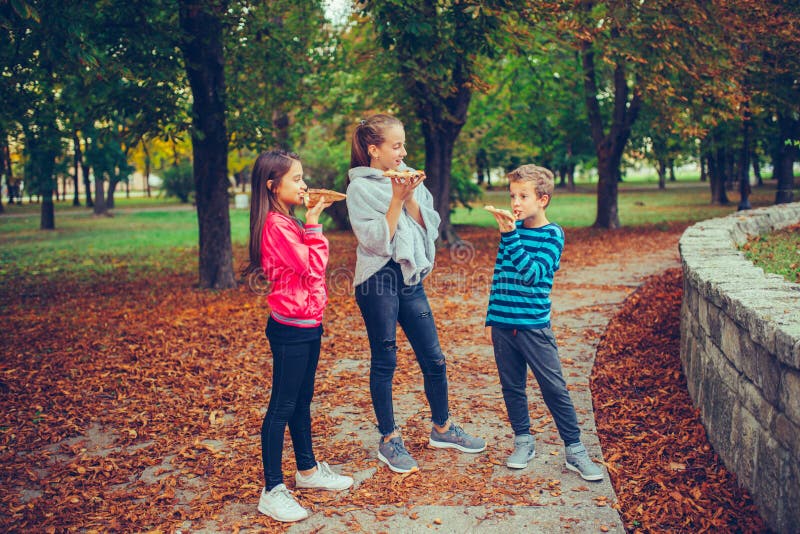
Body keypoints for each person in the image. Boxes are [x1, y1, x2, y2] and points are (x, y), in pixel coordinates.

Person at [346, 114, 486, 474]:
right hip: (377, 279)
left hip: (409, 279)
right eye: (396, 146)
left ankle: (442, 428)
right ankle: (389, 439)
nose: (403, 152)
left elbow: (431, 228)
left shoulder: (410, 180)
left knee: (434, 357)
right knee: (385, 360)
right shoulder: (359, 189)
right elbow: (376, 242)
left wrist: (409, 199)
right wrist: (396, 199)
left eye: (403, 144)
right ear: (373, 150)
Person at [243, 149, 353, 523]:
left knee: (302, 399)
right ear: (272, 185)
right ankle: (272, 489)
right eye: (296, 178)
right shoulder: (276, 225)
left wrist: (305, 222)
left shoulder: (285, 221)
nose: (304, 184)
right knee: (282, 405)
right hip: (290, 328)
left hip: (308, 323)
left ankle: (306, 471)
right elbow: (313, 266)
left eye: (303, 177)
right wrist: (315, 222)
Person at [484, 164, 604, 482]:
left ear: (543, 199)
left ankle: (575, 451)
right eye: (512, 196)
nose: (515, 203)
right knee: (512, 387)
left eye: (523, 196)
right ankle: (524, 441)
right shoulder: (513, 229)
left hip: (534, 327)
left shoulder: (552, 235)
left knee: (554, 388)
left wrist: (509, 235)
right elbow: (504, 276)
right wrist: (494, 315)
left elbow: (533, 275)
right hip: (503, 323)